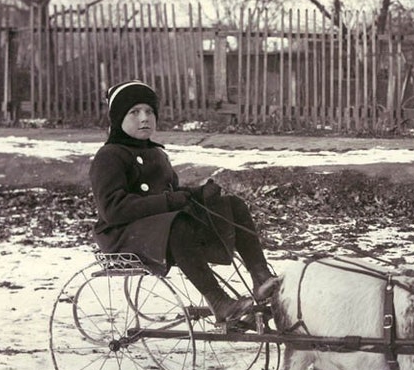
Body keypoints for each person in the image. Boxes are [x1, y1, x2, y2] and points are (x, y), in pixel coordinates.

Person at [89, 80, 279, 323]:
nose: (144, 118)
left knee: (233, 205)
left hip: (158, 226)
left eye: (149, 111)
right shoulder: (110, 156)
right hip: (123, 234)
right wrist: (169, 202)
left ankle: (261, 277)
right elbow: (113, 210)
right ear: (117, 119)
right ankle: (218, 301)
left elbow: (171, 192)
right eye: (134, 112)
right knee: (178, 224)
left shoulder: (156, 153)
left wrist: (198, 195)